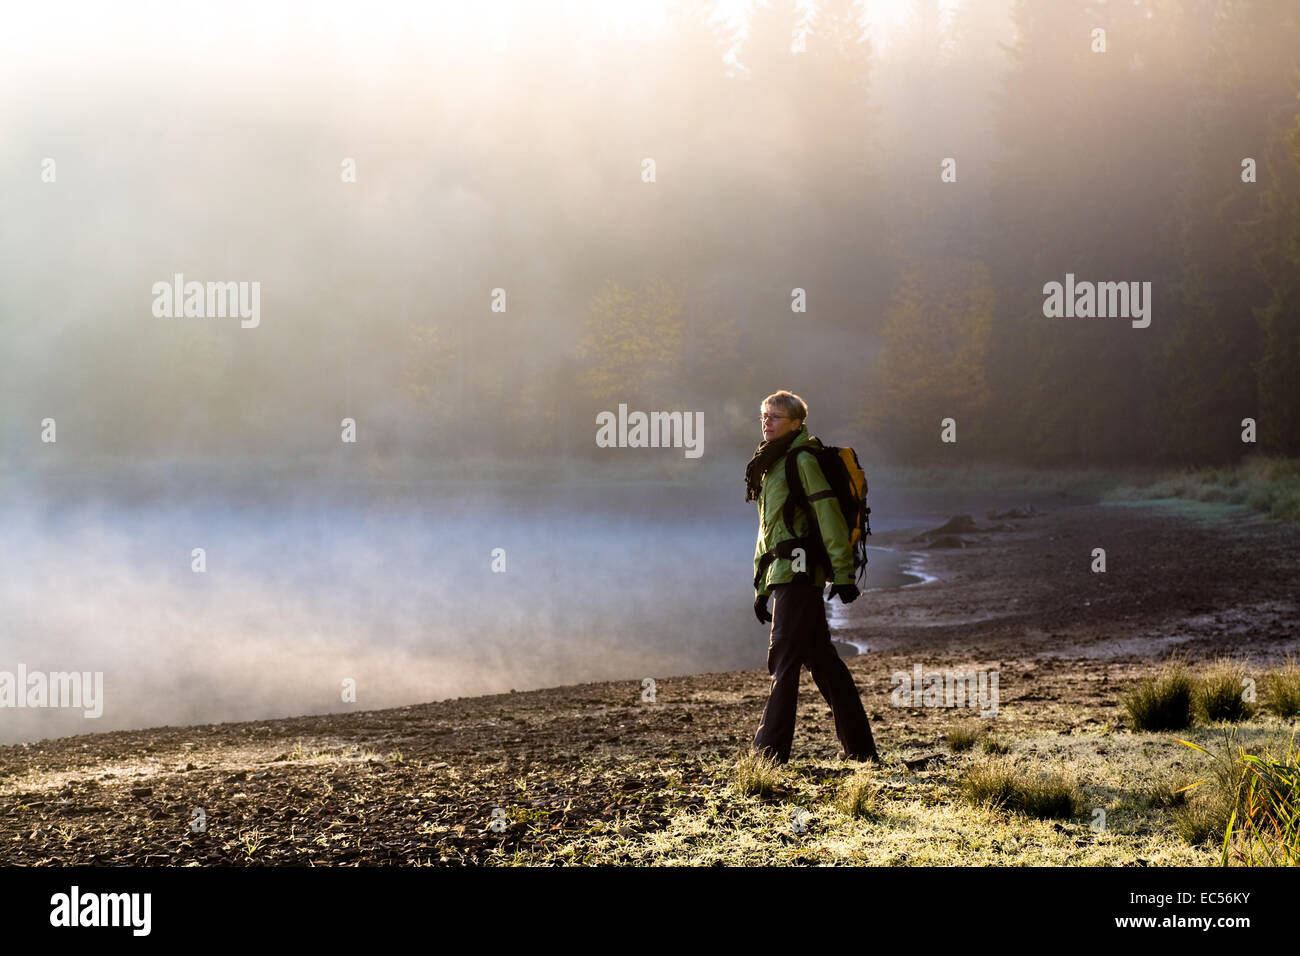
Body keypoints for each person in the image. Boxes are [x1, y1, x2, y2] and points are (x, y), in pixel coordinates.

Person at [745, 390, 882, 766]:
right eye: (764, 416)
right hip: (783, 573)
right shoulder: (770, 465)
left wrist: (843, 575)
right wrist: (760, 588)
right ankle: (861, 752)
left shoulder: (803, 459)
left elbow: (829, 519)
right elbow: (767, 534)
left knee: (784, 657)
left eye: (775, 417)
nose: (767, 422)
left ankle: (767, 757)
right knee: (822, 661)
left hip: (801, 574)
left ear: (796, 423)